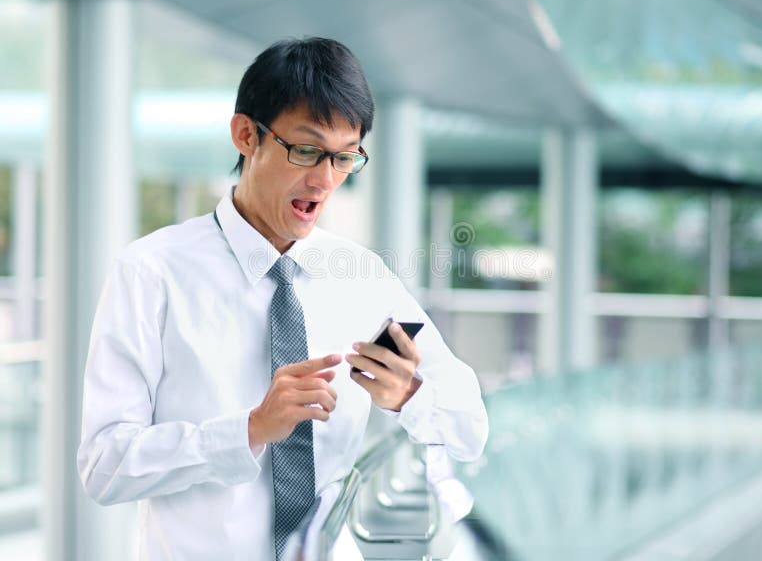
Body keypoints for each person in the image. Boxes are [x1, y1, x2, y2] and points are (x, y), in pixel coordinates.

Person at [77, 37, 488, 561]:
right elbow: (103, 466)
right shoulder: (151, 273)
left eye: (344, 158)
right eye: (307, 150)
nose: (324, 180)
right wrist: (247, 430)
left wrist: (408, 397)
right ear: (246, 135)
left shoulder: (363, 278)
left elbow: (469, 430)